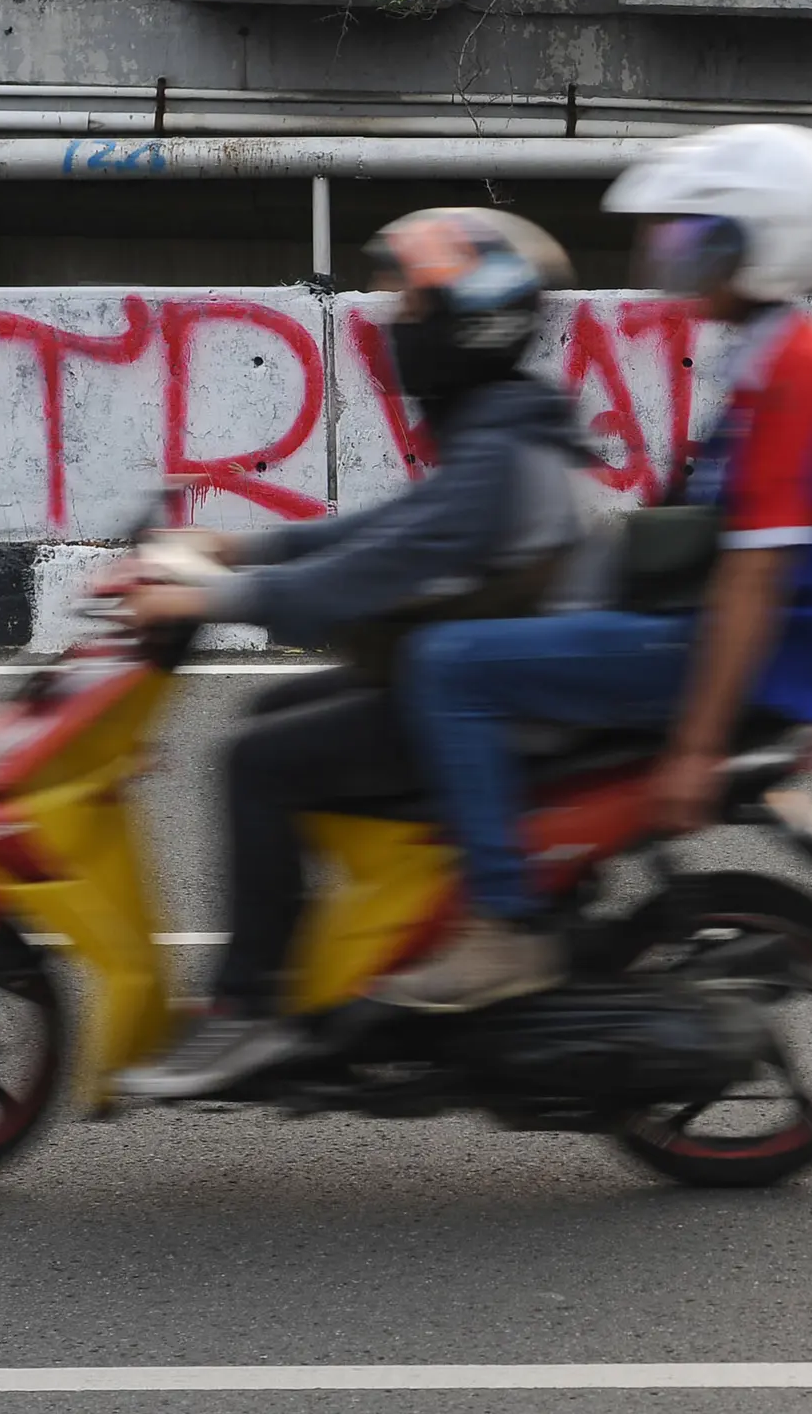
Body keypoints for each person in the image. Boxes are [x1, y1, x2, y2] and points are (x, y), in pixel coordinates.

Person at [374, 123, 812, 1012]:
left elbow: (757, 575)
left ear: (763, 242)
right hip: (744, 645)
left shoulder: (799, 369)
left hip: (725, 650)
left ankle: (504, 928)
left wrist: (693, 748)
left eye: (698, 238)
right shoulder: (777, 353)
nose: (679, 260)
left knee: (448, 664)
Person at [111, 206, 592, 1098]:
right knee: (271, 715)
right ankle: (337, 960)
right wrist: (239, 547)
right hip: (484, 681)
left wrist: (213, 595)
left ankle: (252, 1007)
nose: (398, 325)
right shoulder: (500, 420)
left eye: (414, 307)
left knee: (257, 760)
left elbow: (374, 572)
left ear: (469, 322)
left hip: (497, 705)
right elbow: (386, 532)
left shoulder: (498, 444)